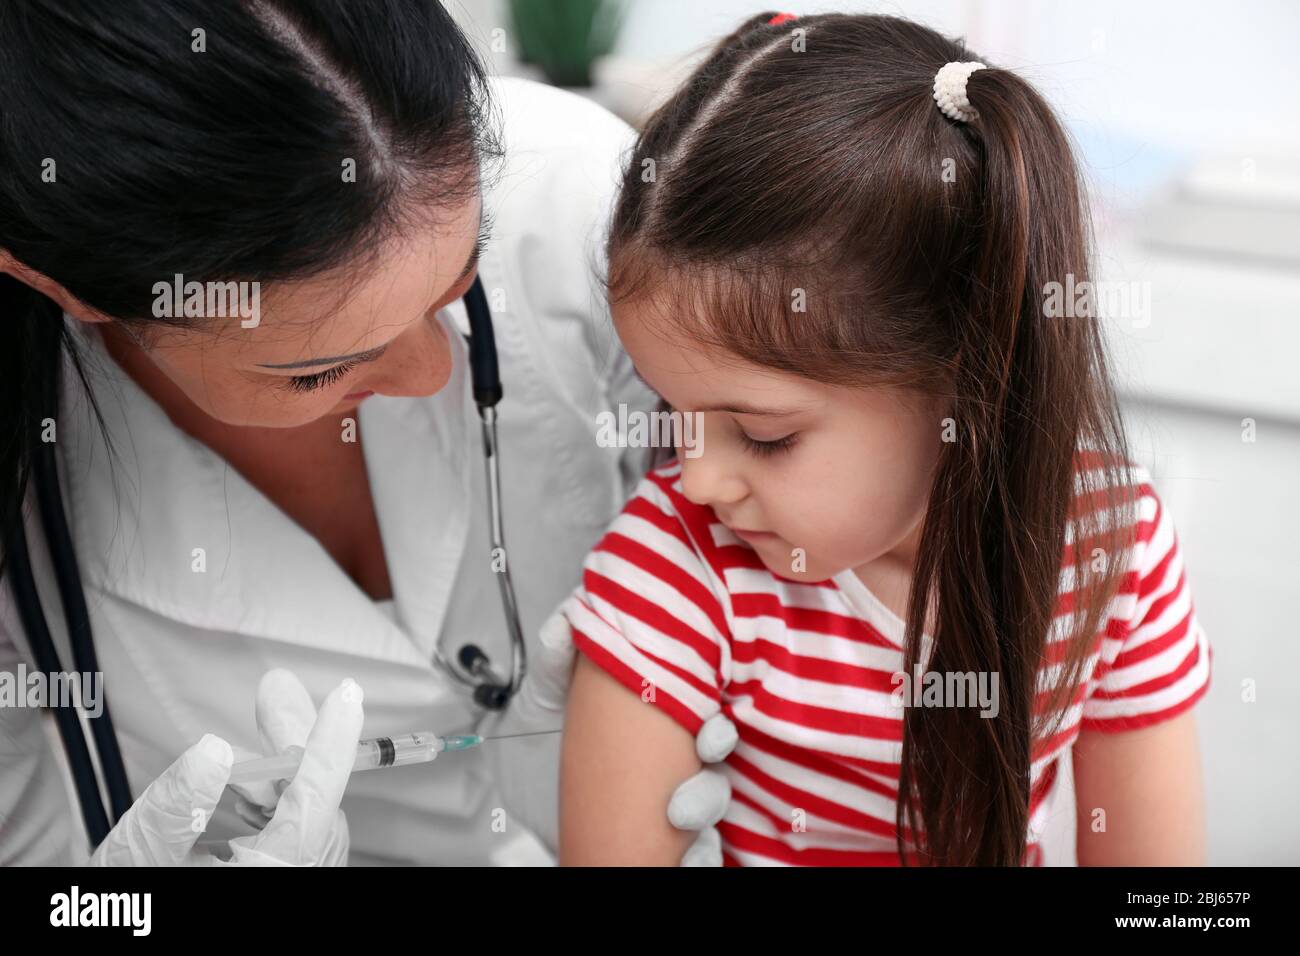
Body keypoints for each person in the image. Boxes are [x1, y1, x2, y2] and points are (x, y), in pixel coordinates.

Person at [0, 0, 731, 866]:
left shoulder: (583, 201)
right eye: (314, 369)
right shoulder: (35, 493)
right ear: (75, 293)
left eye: (457, 281)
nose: (431, 374)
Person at [557, 12, 1212, 866]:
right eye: (673, 412)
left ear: (963, 380)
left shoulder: (1107, 549)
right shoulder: (676, 566)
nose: (698, 480)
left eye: (762, 435)